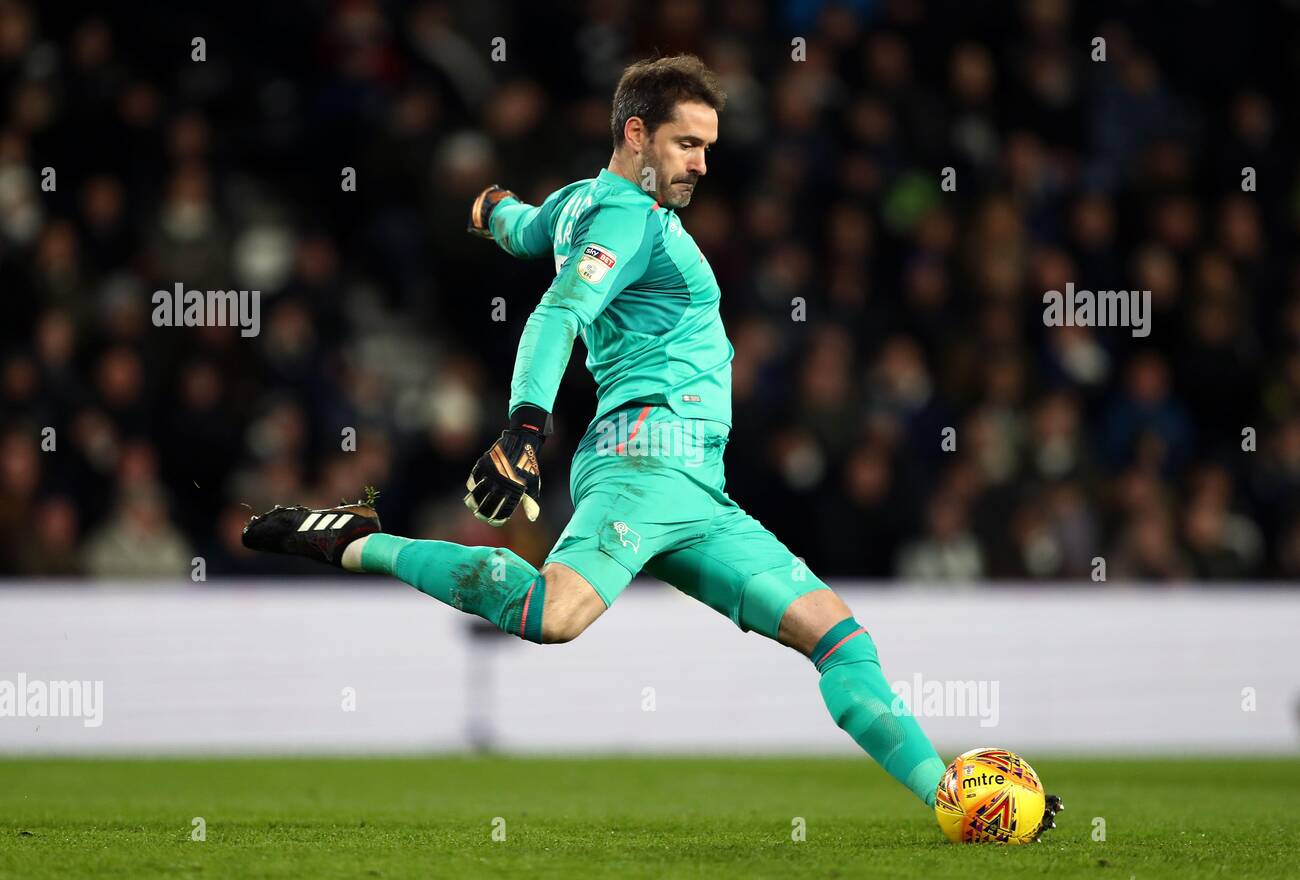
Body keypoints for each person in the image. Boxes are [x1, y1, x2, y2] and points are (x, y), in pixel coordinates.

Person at [242, 54, 1061, 839]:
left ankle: (953, 798)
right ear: (636, 134)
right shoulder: (629, 218)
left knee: (839, 636)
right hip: (643, 467)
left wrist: (488, 208)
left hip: (698, 490)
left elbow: (525, 228)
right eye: (686, 143)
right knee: (550, 616)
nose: (703, 163)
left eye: (708, 145)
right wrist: (526, 425)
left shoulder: (578, 205)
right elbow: (558, 312)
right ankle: (359, 540)